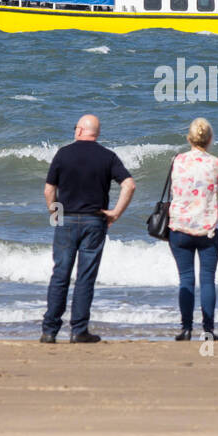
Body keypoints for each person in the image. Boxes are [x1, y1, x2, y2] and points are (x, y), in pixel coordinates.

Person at [42, 115, 135, 343]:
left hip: (66, 219)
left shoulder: (63, 153)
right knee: (85, 277)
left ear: (81, 130)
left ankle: (49, 331)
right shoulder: (107, 156)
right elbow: (129, 184)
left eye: (76, 127)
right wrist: (115, 212)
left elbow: (48, 190)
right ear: (96, 133)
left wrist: (55, 212)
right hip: (94, 221)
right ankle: (78, 330)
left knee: (60, 275)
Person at [167, 118, 218, 341]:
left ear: (189, 138)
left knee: (185, 278)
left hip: (180, 227)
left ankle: (185, 329)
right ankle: (208, 330)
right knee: (207, 279)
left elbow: (174, 189)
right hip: (209, 228)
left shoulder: (178, 161)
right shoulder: (217, 163)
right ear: (210, 139)